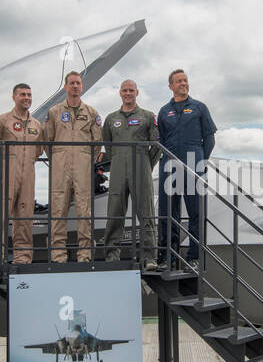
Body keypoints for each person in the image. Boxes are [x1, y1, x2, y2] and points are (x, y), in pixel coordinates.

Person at [157, 69, 217, 264]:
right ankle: (168, 257)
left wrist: (201, 160)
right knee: (168, 213)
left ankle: (194, 258)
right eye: (179, 81)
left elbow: (209, 138)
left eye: (185, 80)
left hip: (193, 165)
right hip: (170, 167)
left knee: (196, 213)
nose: (183, 83)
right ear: (171, 86)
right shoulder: (165, 111)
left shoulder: (199, 108)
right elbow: (162, 141)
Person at [42, 70, 102, 263]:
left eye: (78, 83)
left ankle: (85, 255)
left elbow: (97, 142)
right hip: (60, 169)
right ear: (66, 87)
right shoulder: (54, 112)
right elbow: (47, 140)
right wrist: (58, 159)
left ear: (81, 86)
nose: (75, 86)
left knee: (85, 212)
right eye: (72, 83)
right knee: (58, 210)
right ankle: (57, 255)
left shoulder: (92, 113)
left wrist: (85, 159)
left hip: (83, 168)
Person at [102, 79, 160, 269]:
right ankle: (112, 255)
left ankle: (149, 257)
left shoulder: (147, 116)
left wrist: (146, 164)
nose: (128, 93)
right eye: (125, 90)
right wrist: (117, 159)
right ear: (120, 93)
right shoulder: (111, 119)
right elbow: (108, 146)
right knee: (114, 212)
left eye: (131, 90)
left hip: (141, 168)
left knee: (146, 213)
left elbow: (157, 145)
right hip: (118, 168)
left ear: (137, 92)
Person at [0, 83, 42, 265]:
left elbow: (38, 150)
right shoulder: (2, 121)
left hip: (28, 173)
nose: (26, 97)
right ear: (14, 97)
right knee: (1, 215)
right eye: (22, 94)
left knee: (25, 217)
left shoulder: (36, 124)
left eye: (29, 94)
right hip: (6, 172)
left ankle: (23, 257)